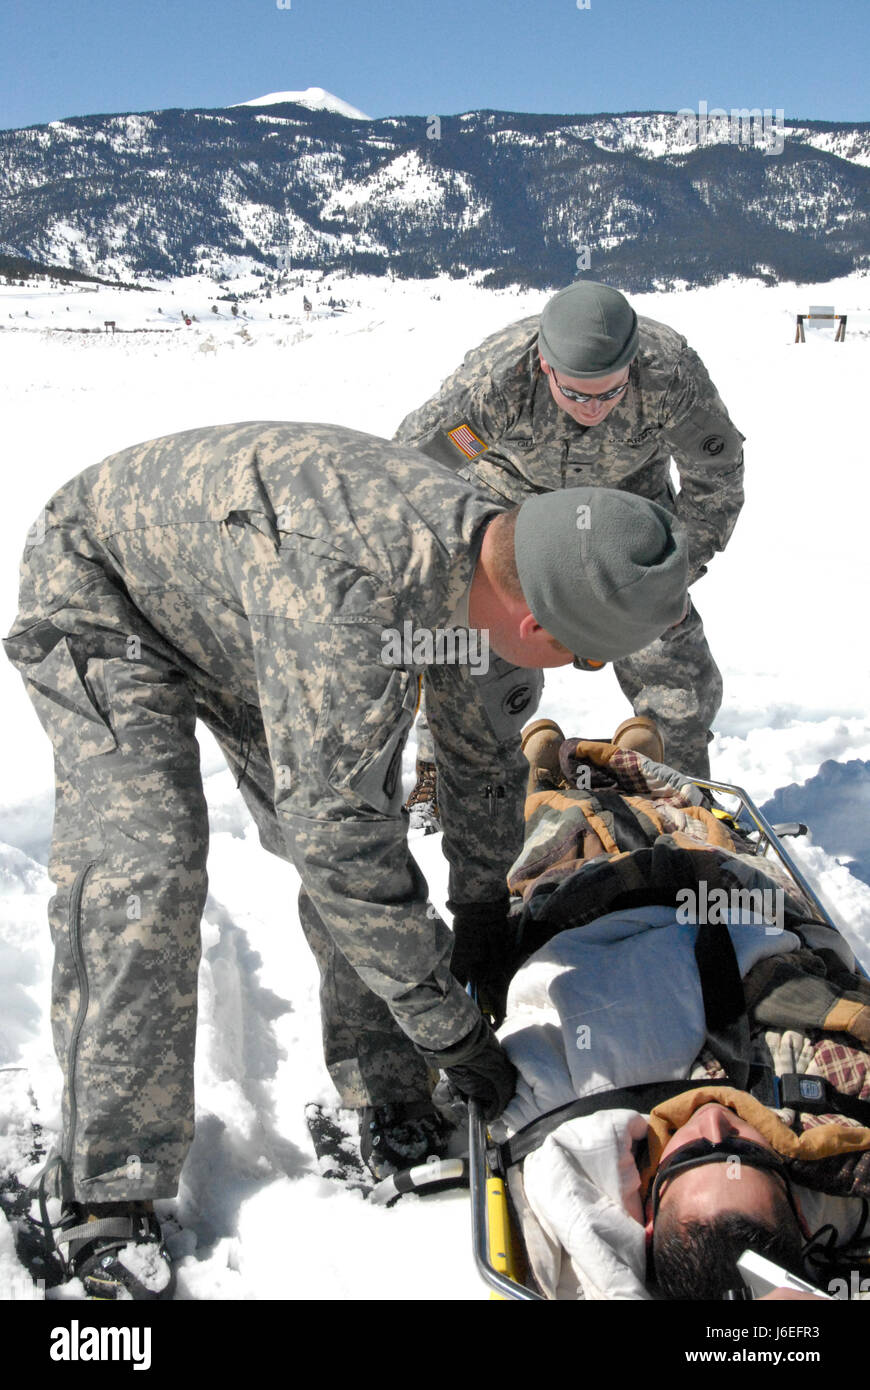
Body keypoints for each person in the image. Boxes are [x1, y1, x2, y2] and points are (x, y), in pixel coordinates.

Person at [3, 420, 688, 1297]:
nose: (584, 667)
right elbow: (343, 849)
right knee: (147, 866)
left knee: (356, 829)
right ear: (532, 621)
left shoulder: (504, 560)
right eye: (587, 654)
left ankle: (387, 1086)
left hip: (246, 602)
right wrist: (449, 1029)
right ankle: (105, 1179)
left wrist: (482, 910)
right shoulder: (355, 605)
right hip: (107, 591)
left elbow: (477, 765)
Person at [490, 722, 870, 1301]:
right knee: (695, 829)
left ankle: (547, 782)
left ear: (646, 1209)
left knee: (574, 835)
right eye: (746, 1150)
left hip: (591, 918)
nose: (715, 1120)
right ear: (797, 1203)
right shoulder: (842, 1170)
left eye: (691, 1152)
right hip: (738, 908)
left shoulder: (576, 1170)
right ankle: (637, 771)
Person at [395, 279, 745, 825]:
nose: (594, 407)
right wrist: (455, 573)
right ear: (545, 366)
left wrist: (672, 575)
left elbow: (715, 474)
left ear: (632, 365)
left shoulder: (670, 374)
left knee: (677, 669)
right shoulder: (497, 382)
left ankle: (687, 794)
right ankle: (442, 784)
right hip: (513, 523)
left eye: (610, 392)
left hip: (626, 522)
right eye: (577, 394)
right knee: (467, 655)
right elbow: (414, 471)